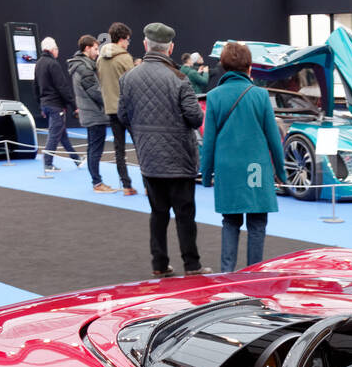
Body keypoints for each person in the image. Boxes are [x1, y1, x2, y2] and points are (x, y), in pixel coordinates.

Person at [117, 21, 206, 278]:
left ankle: (159, 263)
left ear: (145, 45)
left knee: (158, 213)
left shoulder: (128, 79)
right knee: (185, 215)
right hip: (180, 159)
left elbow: (123, 116)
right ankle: (192, 265)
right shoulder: (179, 78)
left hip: (150, 159)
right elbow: (195, 118)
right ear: (171, 48)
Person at [200, 41, 285, 272]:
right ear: (250, 67)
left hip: (228, 169)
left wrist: (206, 175)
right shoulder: (260, 95)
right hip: (256, 169)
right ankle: (253, 275)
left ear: (223, 66)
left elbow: (208, 141)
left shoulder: (214, 96)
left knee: (230, 222)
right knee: (257, 224)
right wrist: (282, 172)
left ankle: (227, 274)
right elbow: (273, 139)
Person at [67, 36, 113, 193]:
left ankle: (96, 181)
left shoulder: (83, 66)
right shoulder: (84, 68)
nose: (97, 52)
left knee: (93, 148)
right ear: (86, 48)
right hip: (94, 114)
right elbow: (95, 92)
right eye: (95, 48)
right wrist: (113, 102)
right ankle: (97, 183)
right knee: (95, 149)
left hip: (91, 113)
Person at [97, 22, 137, 196]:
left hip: (111, 109)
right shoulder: (124, 58)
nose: (128, 43)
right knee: (141, 148)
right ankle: (148, 187)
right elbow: (133, 83)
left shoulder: (99, 58)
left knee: (119, 149)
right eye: (128, 39)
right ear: (121, 39)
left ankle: (126, 186)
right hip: (128, 109)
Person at [34, 37, 81, 175]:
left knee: (61, 134)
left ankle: (76, 158)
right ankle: (47, 163)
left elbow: (35, 87)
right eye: (57, 49)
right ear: (53, 49)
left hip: (46, 104)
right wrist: (73, 105)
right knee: (55, 134)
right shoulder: (53, 64)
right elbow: (62, 87)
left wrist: (40, 105)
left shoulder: (38, 64)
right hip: (56, 105)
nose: (58, 51)